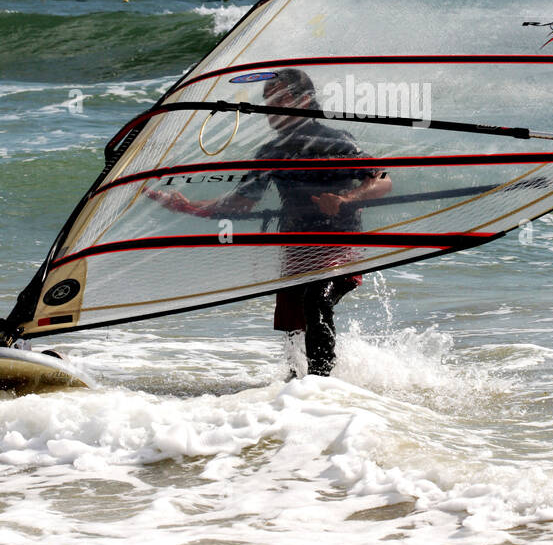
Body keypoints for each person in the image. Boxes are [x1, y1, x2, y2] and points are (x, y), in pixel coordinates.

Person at [145, 68, 391, 376]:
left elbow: (382, 179)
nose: (268, 103)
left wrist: (346, 200)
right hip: (297, 246)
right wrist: (187, 207)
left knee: (316, 300)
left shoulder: (334, 141)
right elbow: (239, 203)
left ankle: (321, 385)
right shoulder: (271, 151)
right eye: (266, 97)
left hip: (338, 244)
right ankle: (295, 385)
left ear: (304, 100)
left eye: (277, 95)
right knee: (293, 322)